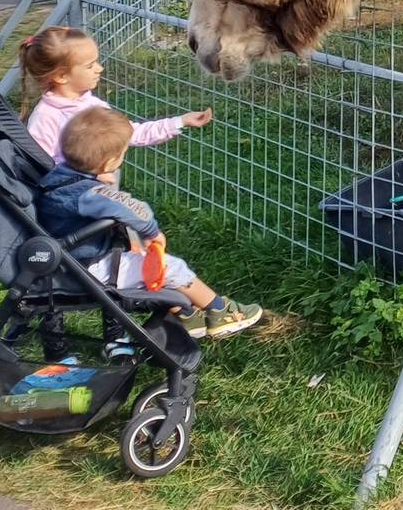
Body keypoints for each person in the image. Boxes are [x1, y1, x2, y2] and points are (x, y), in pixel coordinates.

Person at [35, 107, 262, 339]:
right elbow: (134, 209)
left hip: (69, 262)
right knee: (172, 267)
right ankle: (219, 312)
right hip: (91, 268)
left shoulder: (58, 179)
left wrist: (96, 178)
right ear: (109, 163)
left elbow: (80, 193)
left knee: (155, 269)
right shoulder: (89, 195)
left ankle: (187, 315)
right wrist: (151, 232)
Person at [17, 27, 211, 165]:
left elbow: (130, 133)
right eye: (90, 65)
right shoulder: (45, 118)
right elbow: (39, 167)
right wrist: (86, 177)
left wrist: (180, 121)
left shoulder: (92, 105)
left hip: (101, 195)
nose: (99, 69)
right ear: (61, 76)